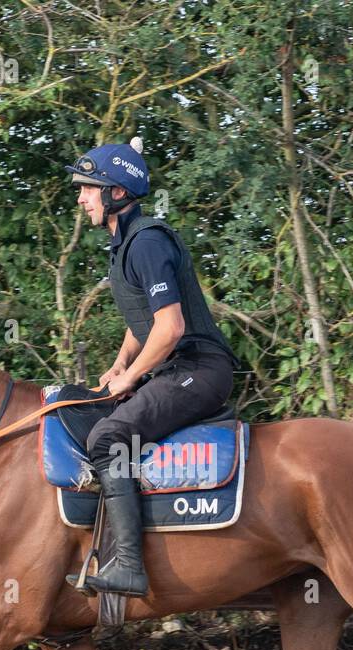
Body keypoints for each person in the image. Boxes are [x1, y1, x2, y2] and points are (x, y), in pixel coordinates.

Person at [63, 137, 241, 597]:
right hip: (173, 367)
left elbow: (170, 327)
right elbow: (142, 322)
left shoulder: (146, 243)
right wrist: (119, 364)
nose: (80, 199)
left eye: (88, 188)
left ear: (116, 193)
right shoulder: (124, 245)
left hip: (198, 370)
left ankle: (129, 567)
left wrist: (132, 376)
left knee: (105, 440)